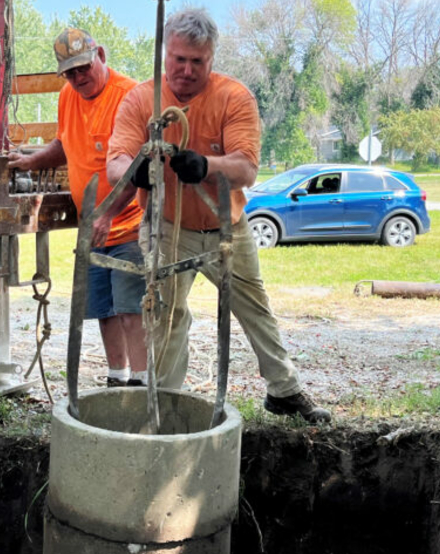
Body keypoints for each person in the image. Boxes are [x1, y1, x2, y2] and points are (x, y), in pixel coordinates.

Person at [105, 8, 331, 423]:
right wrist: (135, 170)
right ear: (165, 54)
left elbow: (246, 168)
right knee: (168, 315)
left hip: (227, 227)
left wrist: (206, 167)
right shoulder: (142, 99)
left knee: (253, 305)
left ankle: (284, 391)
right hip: (168, 227)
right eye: (178, 59)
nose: (187, 70)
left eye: (198, 61)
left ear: (211, 58)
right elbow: (115, 161)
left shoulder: (234, 97)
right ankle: (166, 405)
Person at [8, 27, 147, 387]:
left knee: (132, 308)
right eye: (69, 72)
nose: (77, 77)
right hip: (92, 227)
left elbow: (138, 169)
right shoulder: (68, 96)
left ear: (100, 55)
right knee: (103, 309)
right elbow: (64, 143)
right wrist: (31, 161)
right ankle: (117, 378)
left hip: (129, 223)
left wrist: (110, 213)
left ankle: (143, 385)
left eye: (83, 67)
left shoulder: (129, 96)